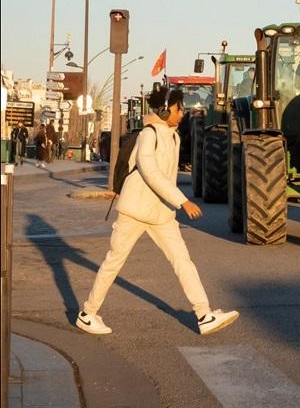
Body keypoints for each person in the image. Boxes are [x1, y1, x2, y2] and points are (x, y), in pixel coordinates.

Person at [75, 87, 238, 336]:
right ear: (165, 110)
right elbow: (150, 172)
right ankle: (88, 314)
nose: (182, 113)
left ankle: (204, 315)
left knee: (183, 261)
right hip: (135, 211)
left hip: (161, 213)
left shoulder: (173, 136)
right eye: (179, 108)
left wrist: (173, 203)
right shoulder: (148, 135)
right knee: (113, 263)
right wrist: (182, 201)